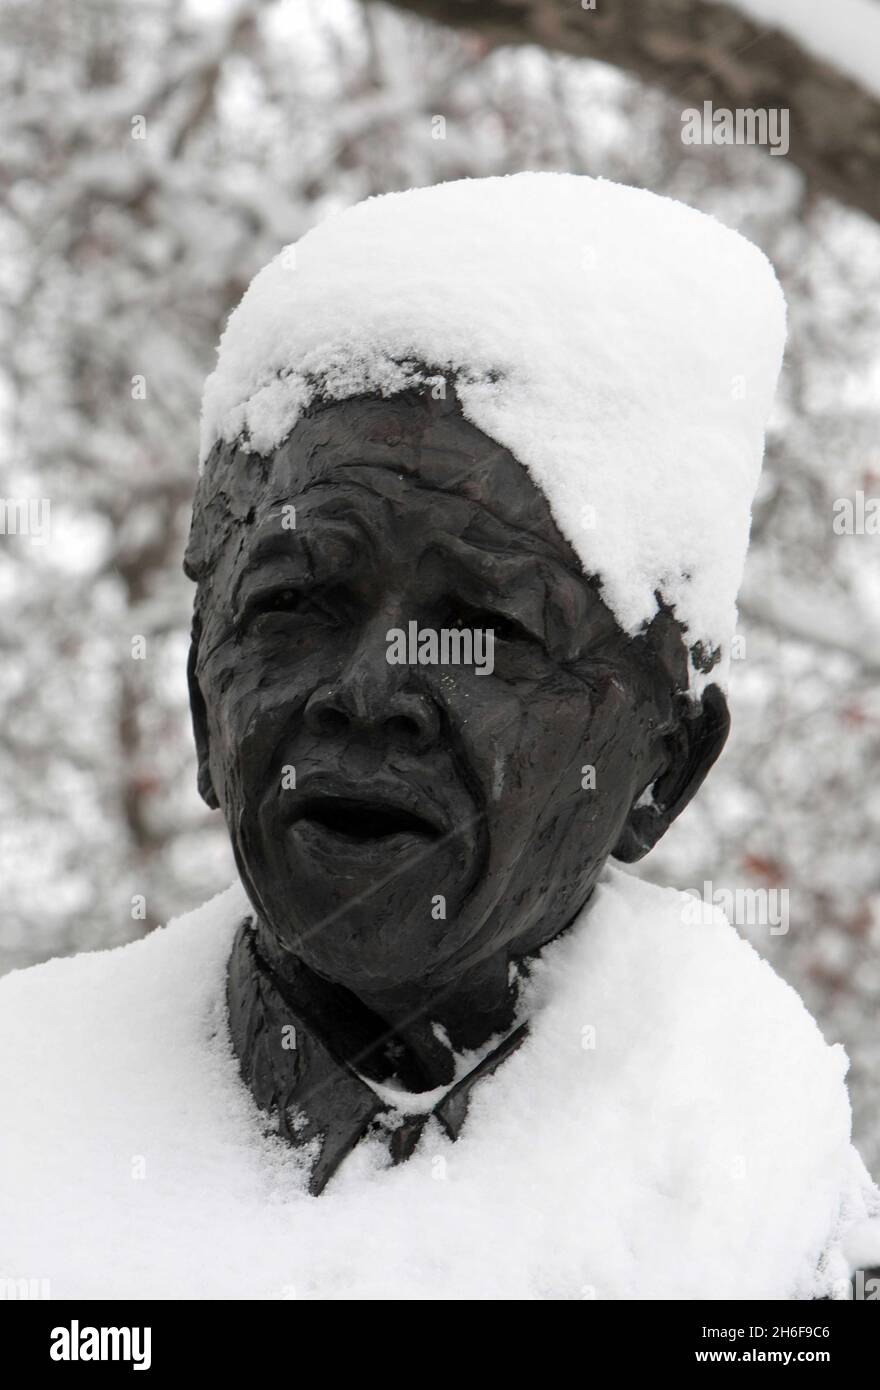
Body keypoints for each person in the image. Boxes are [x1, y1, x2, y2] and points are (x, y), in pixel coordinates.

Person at [2, 174, 878, 1300]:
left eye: (485, 625)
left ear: (661, 773)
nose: (367, 691)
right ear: (199, 702)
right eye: (291, 605)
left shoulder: (788, 1258)